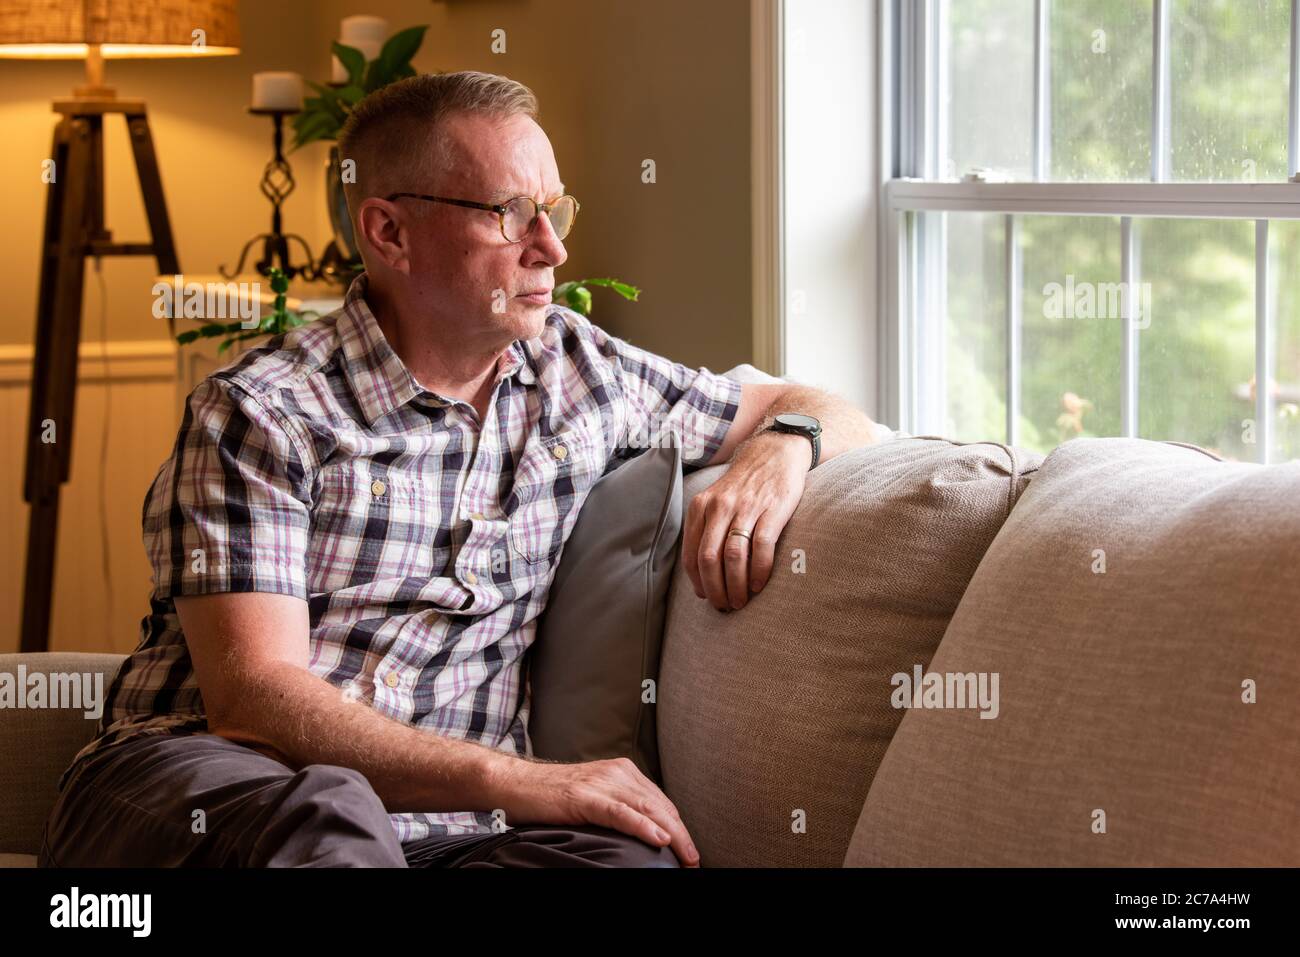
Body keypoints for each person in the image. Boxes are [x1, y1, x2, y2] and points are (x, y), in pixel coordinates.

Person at [39, 71, 878, 868]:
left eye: (555, 209)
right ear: (388, 232)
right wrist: (525, 780)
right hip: (212, 783)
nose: (550, 247)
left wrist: (786, 443)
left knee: (627, 855)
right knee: (328, 821)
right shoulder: (261, 413)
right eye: (510, 214)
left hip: (445, 833)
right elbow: (254, 699)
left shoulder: (580, 373)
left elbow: (815, 404)